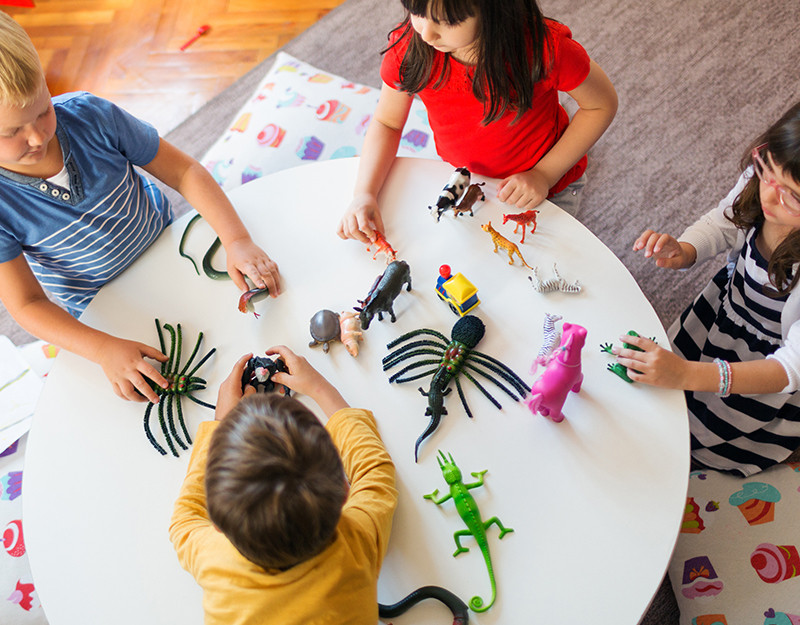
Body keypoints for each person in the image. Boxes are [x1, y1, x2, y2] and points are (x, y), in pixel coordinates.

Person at [0, 12, 281, 403]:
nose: (37, 136)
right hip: (100, 304)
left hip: (165, 244)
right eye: (11, 132)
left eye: (43, 110)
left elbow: (183, 171)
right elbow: (27, 305)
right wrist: (102, 349)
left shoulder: (91, 114)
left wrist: (236, 239)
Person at [337, 0, 617, 242]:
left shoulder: (546, 49)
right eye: (417, 11)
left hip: (546, 187)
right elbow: (388, 122)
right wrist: (365, 193)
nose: (427, 33)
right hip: (467, 181)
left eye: (446, 21)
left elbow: (601, 104)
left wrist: (544, 174)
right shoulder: (411, 47)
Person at [620, 101, 800, 476]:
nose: (769, 196)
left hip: (766, 369)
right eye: (767, 171)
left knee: (704, 439)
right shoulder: (766, 181)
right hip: (726, 315)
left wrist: (687, 375)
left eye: (792, 196)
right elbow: (726, 220)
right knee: (666, 390)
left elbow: (787, 369)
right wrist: (685, 251)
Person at [169, 346, 397, 625]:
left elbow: (184, 519)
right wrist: (320, 389)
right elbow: (375, 472)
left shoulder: (214, 562)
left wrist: (220, 424)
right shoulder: (355, 543)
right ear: (345, 495)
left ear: (216, 526)